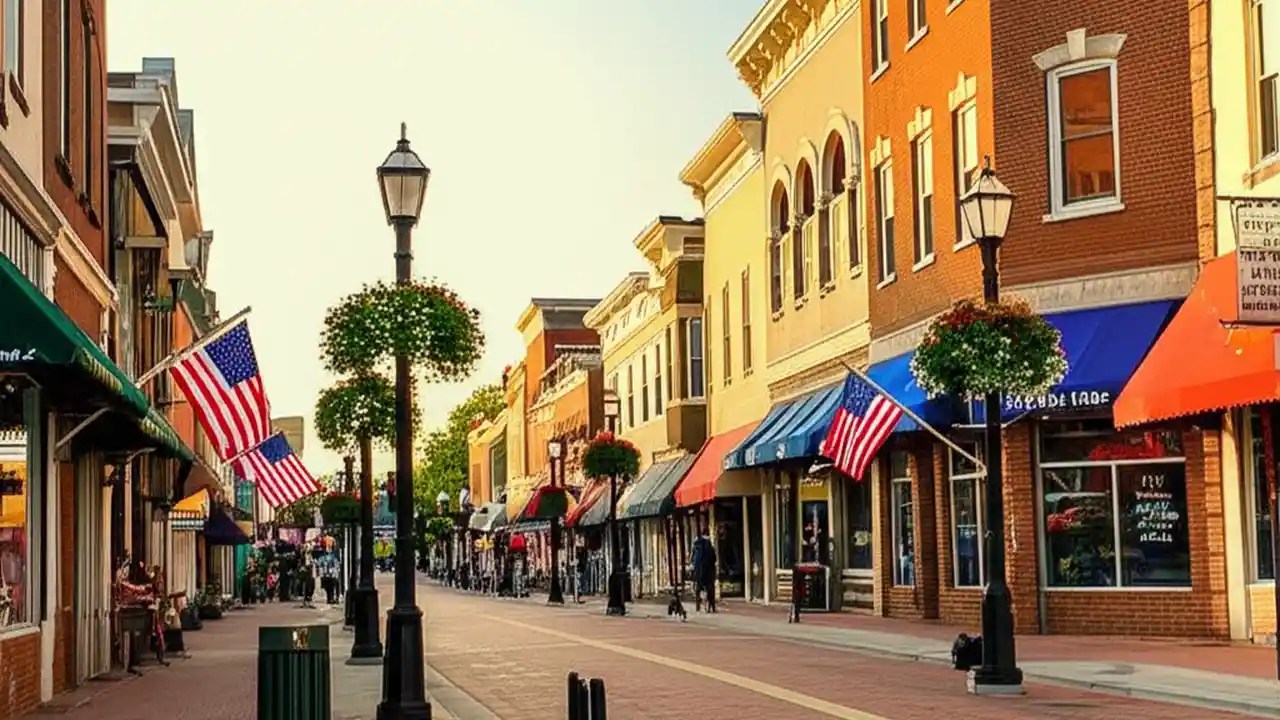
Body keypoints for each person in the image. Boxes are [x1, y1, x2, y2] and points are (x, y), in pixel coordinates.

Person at [691, 527, 717, 613]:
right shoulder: (710, 545)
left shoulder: (696, 545)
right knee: (710, 588)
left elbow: (692, 559)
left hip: (698, 571)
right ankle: (712, 606)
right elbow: (714, 559)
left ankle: (698, 606)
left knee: (698, 588)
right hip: (708, 571)